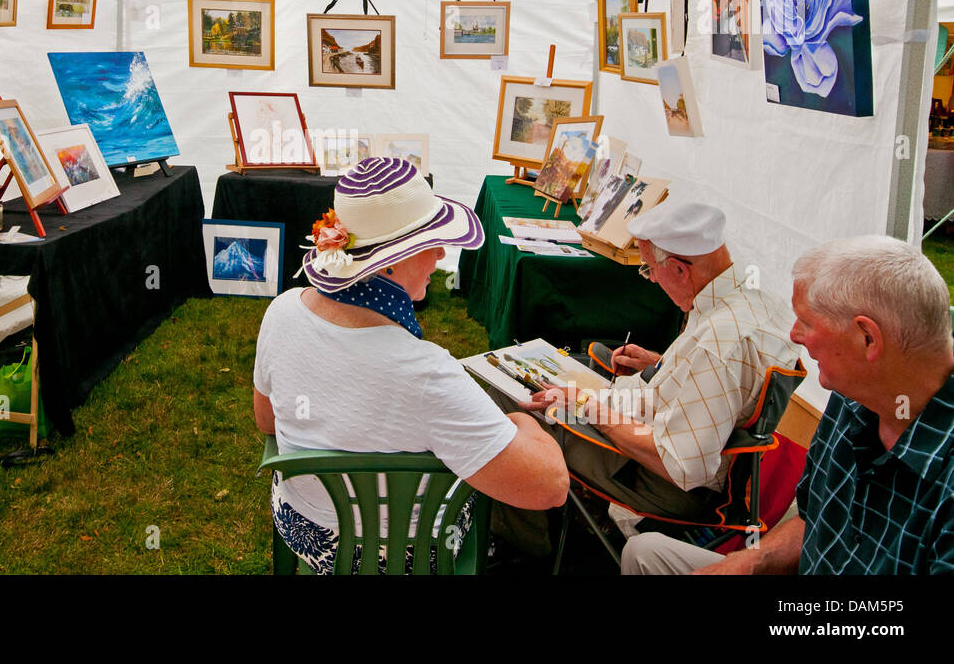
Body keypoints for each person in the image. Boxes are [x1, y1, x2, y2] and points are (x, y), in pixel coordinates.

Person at [252, 157, 568, 573]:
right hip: (407, 550)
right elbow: (549, 487)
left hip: (304, 527)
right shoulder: (427, 372)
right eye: (428, 243)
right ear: (388, 261)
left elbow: (268, 422)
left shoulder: (282, 311)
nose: (440, 254)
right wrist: (523, 425)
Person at [622, 235, 954, 575]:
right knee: (645, 553)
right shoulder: (852, 397)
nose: (794, 335)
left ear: (867, 338)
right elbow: (812, 519)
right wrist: (752, 561)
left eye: (807, 323)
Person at [520, 201, 802, 522]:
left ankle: (530, 542)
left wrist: (588, 407)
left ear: (681, 269)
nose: (651, 279)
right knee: (584, 365)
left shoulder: (717, 344)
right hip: (671, 429)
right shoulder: (756, 298)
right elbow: (724, 382)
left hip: (663, 482)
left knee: (522, 407)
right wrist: (661, 364)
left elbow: (681, 465)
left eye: (650, 268)